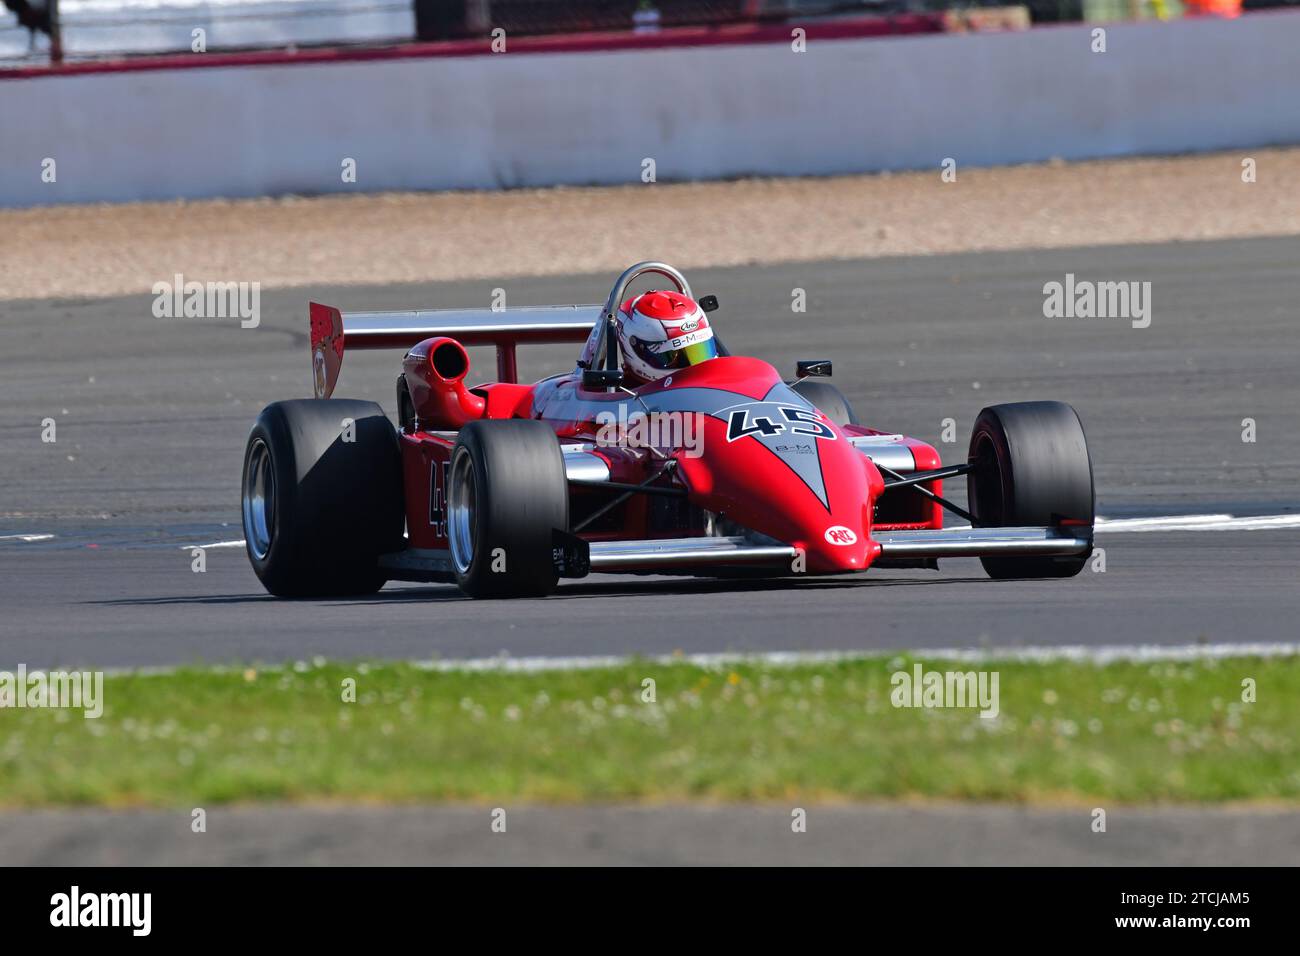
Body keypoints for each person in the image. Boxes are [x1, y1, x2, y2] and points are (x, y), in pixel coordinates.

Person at [615, 290, 719, 384]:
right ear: (638, 348)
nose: (693, 368)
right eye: (672, 356)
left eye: (700, 351)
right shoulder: (620, 403)